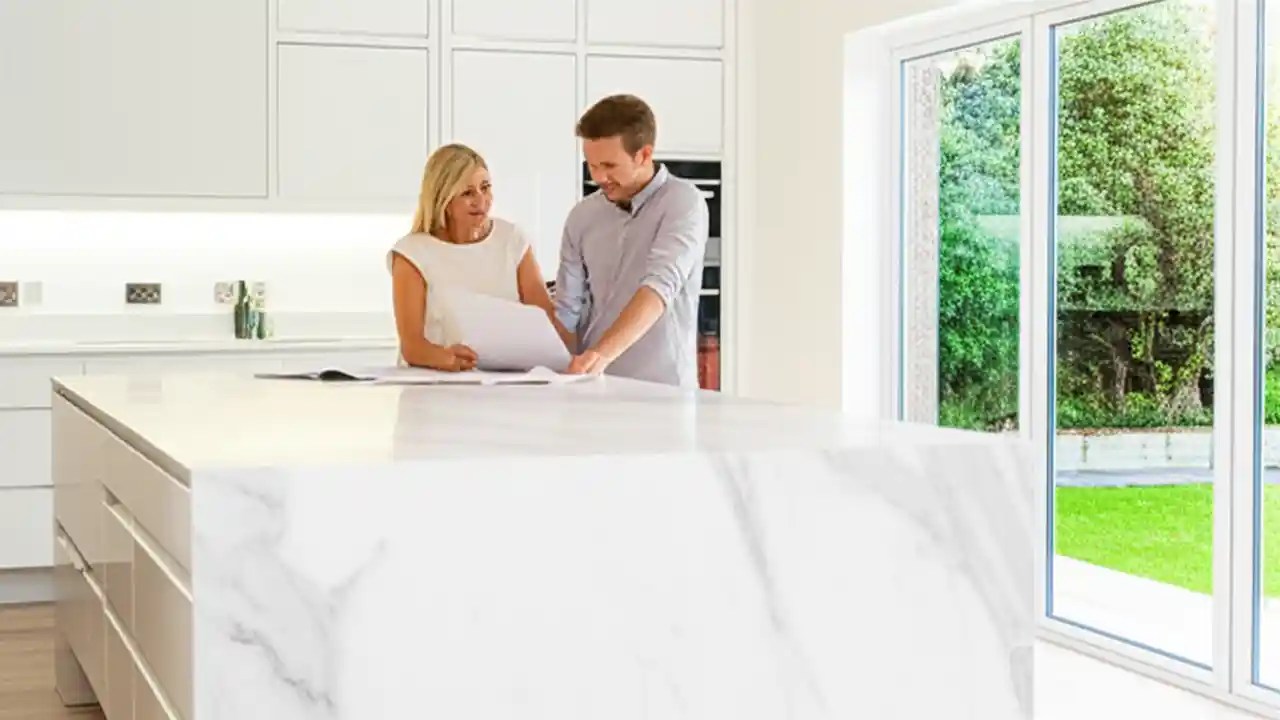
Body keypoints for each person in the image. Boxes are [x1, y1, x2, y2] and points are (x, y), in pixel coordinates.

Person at [554, 94, 710, 388]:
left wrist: (600, 355)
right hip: (593, 386)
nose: (599, 177)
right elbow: (566, 309)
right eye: (592, 165)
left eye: (609, 165)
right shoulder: (582, 216)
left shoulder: (683, 203)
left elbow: (659, 287)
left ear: (644, 155)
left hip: (664, 391)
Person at [388, 143, 569, 371]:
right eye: (467, 193)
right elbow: (412, 346)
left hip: (505, 381)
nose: (481, 200)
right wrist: (445, 358)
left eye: (485, 187)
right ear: (443, 200)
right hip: (436, 383)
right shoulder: (412, 253)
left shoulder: (512, 239)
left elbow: (545, 321)